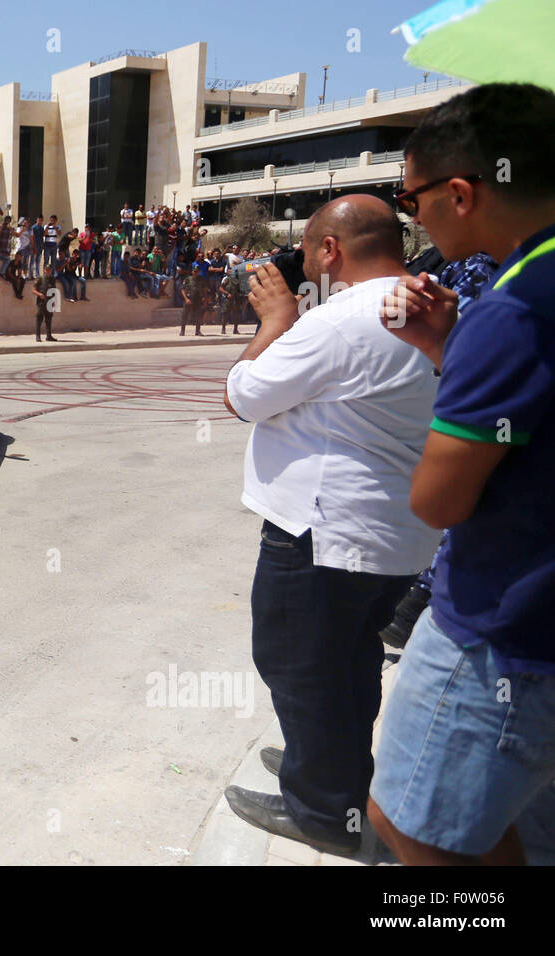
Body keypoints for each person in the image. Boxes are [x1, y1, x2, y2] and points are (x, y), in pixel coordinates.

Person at [220, 195, 441, 857]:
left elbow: (243, 394)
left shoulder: (340, 320)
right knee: (349, 661)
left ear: (330, 252)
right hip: (392, 536)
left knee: (300, 666)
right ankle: (335, 775)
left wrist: (277, 319)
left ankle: (323, 810)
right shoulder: (430, 304)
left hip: (321, 531)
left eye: (310, 251)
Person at [368, 83, 555, 866]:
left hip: (505, 629)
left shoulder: (511, 311)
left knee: (410, 825)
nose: (412, 218)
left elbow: (438, 499)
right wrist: (449, 348)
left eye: (412, 199)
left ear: (461, 192)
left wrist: (460, 350)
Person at [33, 261, 57, 341]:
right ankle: (38, 336)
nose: (48, 271)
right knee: (39, 318)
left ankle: (49, 336)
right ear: (44, 270)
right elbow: (33, 290)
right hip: (41, 301)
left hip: (49, 301)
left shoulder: (52, 279)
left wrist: (54, 301)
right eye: (47, 270)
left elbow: (54, 290)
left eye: (50, 270)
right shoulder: (40, 279)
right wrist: (39, 294)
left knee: (49, 319)